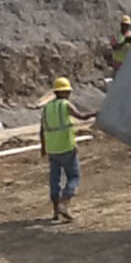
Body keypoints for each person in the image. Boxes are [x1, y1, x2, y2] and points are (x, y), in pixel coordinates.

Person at [40, 77, 96, 222]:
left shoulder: (47, 108)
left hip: (52, 149)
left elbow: (42, 130)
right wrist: (96, 114)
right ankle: (64, 204)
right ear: (64, 92)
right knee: (74, 177)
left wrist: (43, 148)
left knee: (55, 180)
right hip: (67, 147)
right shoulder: (65, 105)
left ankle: (55, 212)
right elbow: (81, 117)